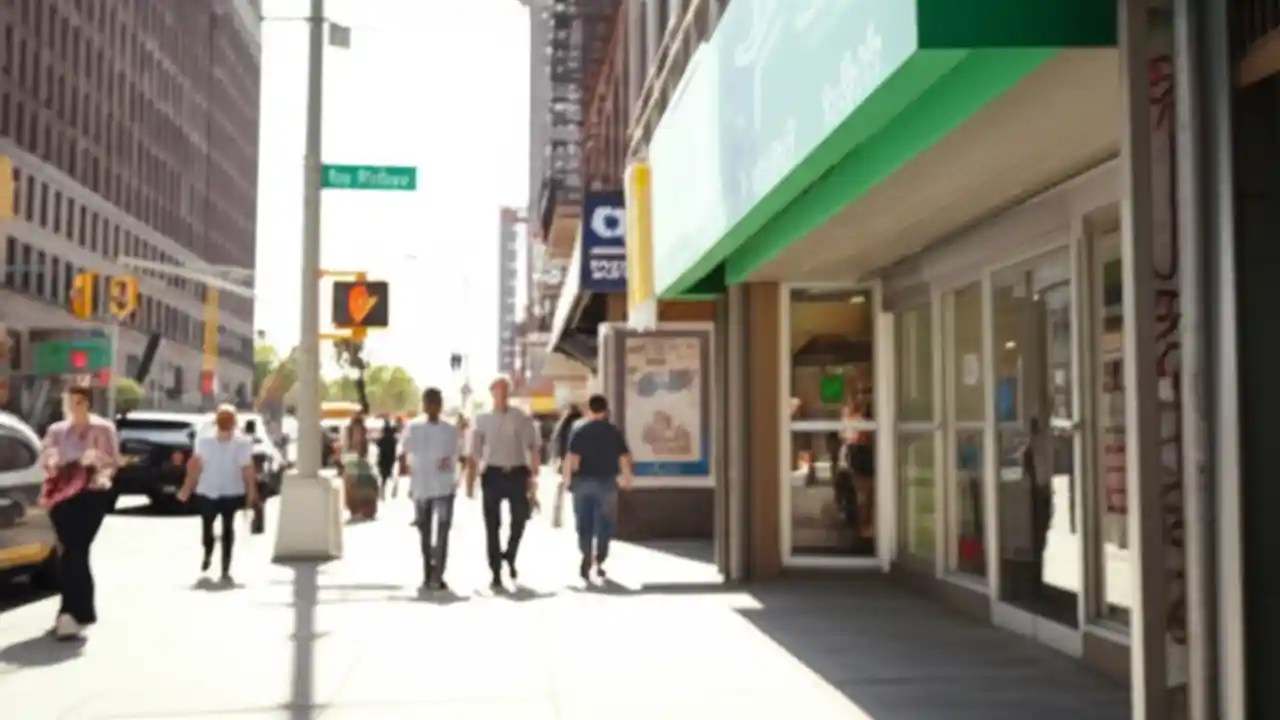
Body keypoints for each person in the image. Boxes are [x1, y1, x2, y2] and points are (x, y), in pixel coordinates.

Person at [39, 385, 119, 641]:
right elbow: (47, 456)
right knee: (67, 553)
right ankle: (74, 611)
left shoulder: (103, 428)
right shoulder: (57, 430)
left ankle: (74, 613)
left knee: (77, 549)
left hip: (91, 496)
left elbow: (112, 462)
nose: (72, 406)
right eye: (68, 401)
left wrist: (95, 462)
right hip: (62, 497)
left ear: (87, 403)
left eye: (77, 401)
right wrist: (54, 463)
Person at [467, 375, 540, 590]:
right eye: (498, 390)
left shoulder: (521, 417)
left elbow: (533, 447)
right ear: (492, 393)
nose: (502, 394)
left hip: (517, 473)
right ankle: (496, 570)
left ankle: (510, 553)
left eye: (506, 390)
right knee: (492, 524)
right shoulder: (482, 419)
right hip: (492, 474)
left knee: (520, 518)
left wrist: (534, 478)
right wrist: (470, 482)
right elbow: (474, 453)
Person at [176, 405, 258, 584]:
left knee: (228, 528)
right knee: (207, 526)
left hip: (231, 491)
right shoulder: (204, 442)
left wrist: (251, 493)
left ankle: (225, 568)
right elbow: (195, 467)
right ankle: (208, 552)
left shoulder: (242, 443)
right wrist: (187, 487)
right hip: (208, 490)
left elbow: (248, 470)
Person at [561, 394, 633, 582]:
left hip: (583, 482)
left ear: (589, 409)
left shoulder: (579, 429)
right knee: (605, 523)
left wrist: (568, 480)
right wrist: (627, 478)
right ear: (605, 410)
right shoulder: (613, 431)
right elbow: (624, 457)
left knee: (584, 523)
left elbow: (572, 459)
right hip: (607, 483)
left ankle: (586, 554)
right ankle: (599, 559)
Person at [399, 388, 459, 591]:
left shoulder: (450, 430)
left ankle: (439, 573)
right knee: (424, 532)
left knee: (442, 532)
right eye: (429, 402)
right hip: (421, 488)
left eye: (436, 402)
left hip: (444, 487)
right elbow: (404, 451)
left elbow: (455, 455)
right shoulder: (413, 427)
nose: (433, 406)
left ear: (441, 404)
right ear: (424, 404)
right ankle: (427, 572)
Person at [343, 413, 378, 520]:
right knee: (353, 483)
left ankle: (359, 508)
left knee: (355, 483)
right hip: (354, 457)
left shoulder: (355, 430)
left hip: (358, 458)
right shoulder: (355, 430)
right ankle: (356, 508)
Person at [376, 417, 399, 499]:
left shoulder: (384, 439)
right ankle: (387, 491)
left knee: (384, 476)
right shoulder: (393, 439)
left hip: (384, 459)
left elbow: (378, 445)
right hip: (389, 459)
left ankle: (382, 492)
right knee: (388, 475)